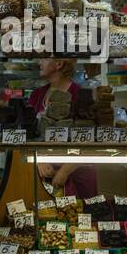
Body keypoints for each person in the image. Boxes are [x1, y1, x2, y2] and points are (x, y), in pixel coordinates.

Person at [28, 57, 97, 197]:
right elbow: (28, 134)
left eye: (45, 59)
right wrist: (38, 160)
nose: (39, 62)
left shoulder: (80, 95)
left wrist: (65, 170)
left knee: (80, 215)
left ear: (58, 64)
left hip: (77, 173)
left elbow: (87, 139)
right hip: (43, 173)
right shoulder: (36, 95)